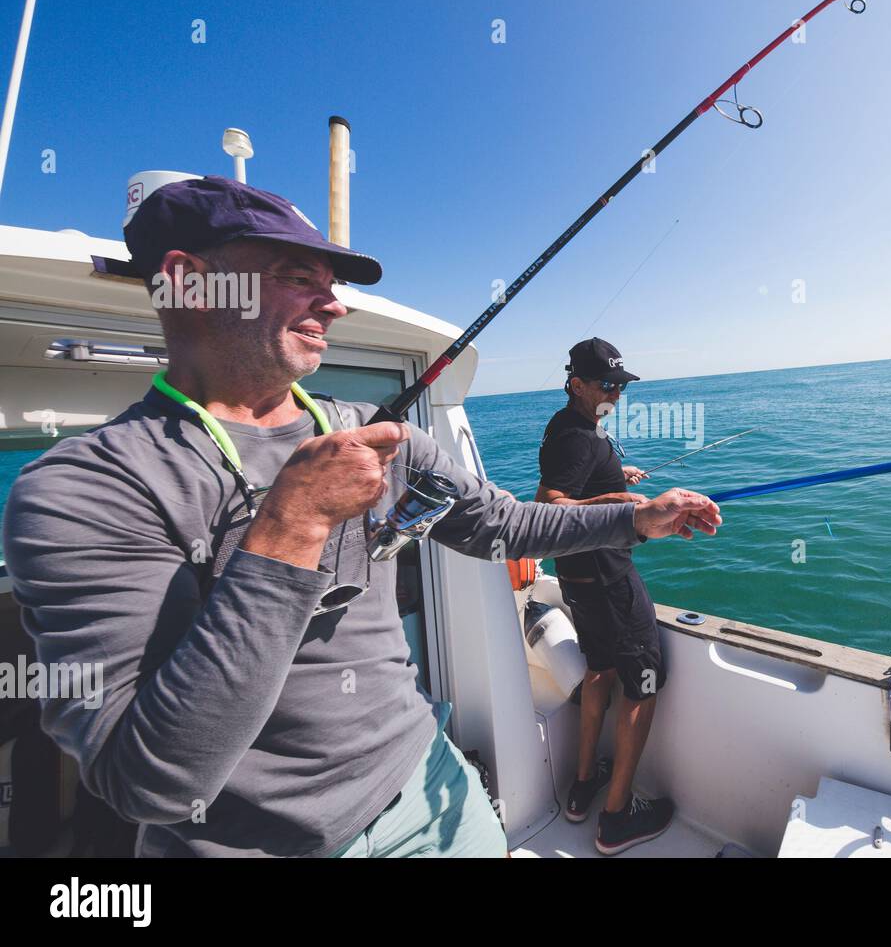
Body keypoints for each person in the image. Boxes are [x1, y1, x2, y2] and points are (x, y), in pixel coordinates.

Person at [0, 176, 721, 858]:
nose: (334, 305)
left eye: (332, 285)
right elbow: (148, 782)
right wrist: (291, 525)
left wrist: (639, 520)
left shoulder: (376, 434)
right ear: (189, 282)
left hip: (431, 789)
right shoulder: (81, 489)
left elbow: (504, 525)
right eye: (297, 278)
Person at [535, 338, 673, 855]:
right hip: (609, 578)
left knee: (599, 669)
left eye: (620, 384)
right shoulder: (582, 438)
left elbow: (572, 482)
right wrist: (620, 497)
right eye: (605, 384)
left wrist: (617, 477)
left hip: (578, 578)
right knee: (644, 682)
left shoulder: (567, 426)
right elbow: (548, 503)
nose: (615, 392)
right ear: (576, 384)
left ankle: (584, 782)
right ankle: (615, 818)